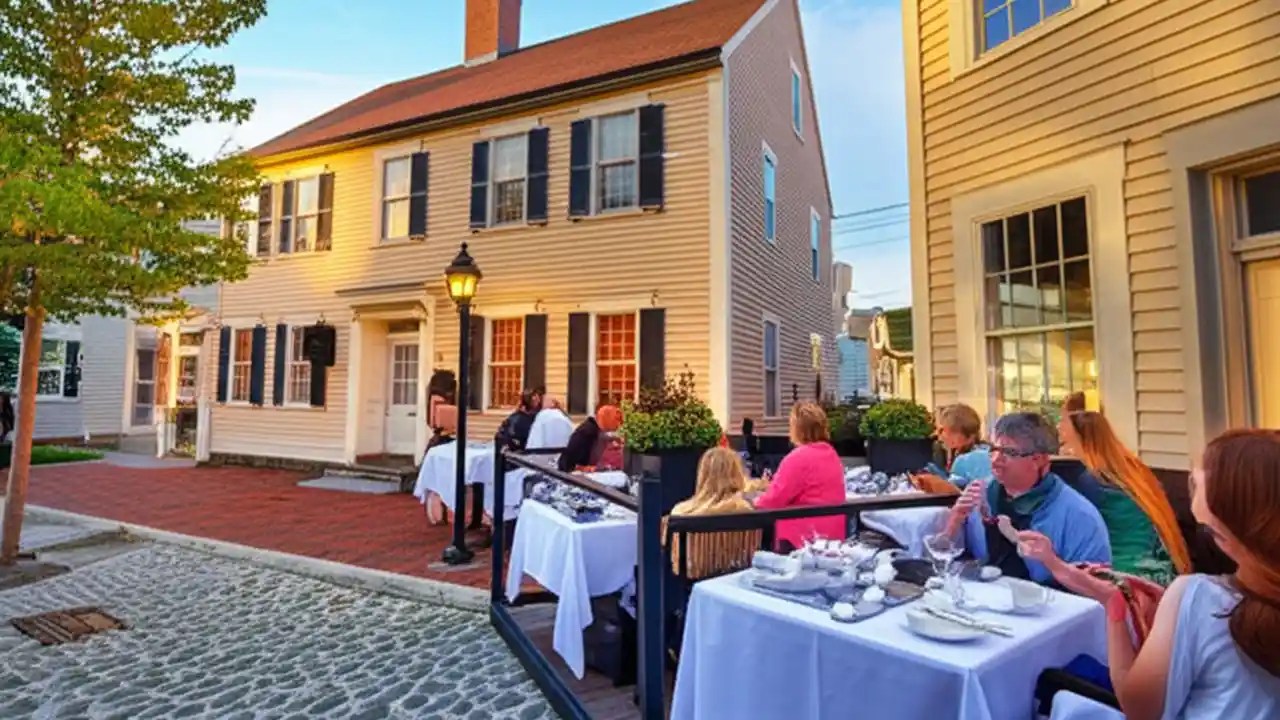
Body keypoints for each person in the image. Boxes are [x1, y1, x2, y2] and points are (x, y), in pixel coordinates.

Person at [1100, 430, 1280, 719]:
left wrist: (1115, 609)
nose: (1192, 482)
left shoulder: (1199, 597)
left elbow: (1139, 709)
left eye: (1198, 480)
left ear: (1226, 526)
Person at [944, 412, 1110, 585]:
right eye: (993, 450)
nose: (995, 460)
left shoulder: (1079, 516)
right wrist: (955, 520)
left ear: (1038, 460)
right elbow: (945, 559)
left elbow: (1099, 589)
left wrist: (1052, 562)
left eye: (1009, 452)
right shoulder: (978, 496)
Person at [1048, 409, 1192, 588]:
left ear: (1082, 441)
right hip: (1163, 570)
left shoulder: (1089, 479)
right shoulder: (1133, 471)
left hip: (1123, 576)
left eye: (1064, 443)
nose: (1061, 450)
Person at [752, 402, 846, 551]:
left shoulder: (798, 458)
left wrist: (752, 502)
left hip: (802, 540)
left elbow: (774, 499)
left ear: (797, 429)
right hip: (832, 537)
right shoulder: (831, 455)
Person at [920, 403, 991, 488]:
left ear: (957, 432)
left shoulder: (963, 460)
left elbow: (951, 490)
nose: (938, 434)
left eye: (942, 430)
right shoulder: (990, 452)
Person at [557, 404, 623, 472]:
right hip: (573, 473)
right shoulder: (588, 432)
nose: (618, 425)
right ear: (608, 418)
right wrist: (583, 468)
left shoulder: (592, 428)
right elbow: (569, 462)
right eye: (616, 420)